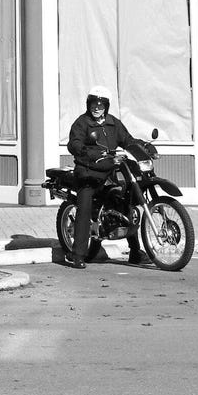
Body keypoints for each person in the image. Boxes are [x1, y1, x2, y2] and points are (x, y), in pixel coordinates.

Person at [65, 84, 147, 268]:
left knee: (126, 205)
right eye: (94, 104)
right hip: (88, 174)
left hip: (108, 173)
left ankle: (135, 252)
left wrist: (144, 147)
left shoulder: (113, 123)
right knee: (84, 207)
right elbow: (74, 143)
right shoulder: (82, 123)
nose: (97, 108)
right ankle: (77, 254)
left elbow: (128, 140)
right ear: (88, 104)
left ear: (106, 107)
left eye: (101, 105)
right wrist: (87, 152)